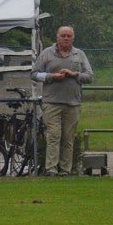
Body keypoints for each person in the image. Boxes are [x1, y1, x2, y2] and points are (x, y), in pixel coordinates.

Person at [31, 26, 94, 177]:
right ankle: (51, 169)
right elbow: (34, 74)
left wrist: (74, 74)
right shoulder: (47, 53)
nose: (66, 38)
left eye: (69, 36)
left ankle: (65, 170)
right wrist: (51, 77)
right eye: (63, 35)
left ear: (73, 38)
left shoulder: (79, 55)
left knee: (68, 138)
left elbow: (90, 77)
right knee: (53, 135)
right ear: (57, 38)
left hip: (73, 103)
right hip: (51, 103)